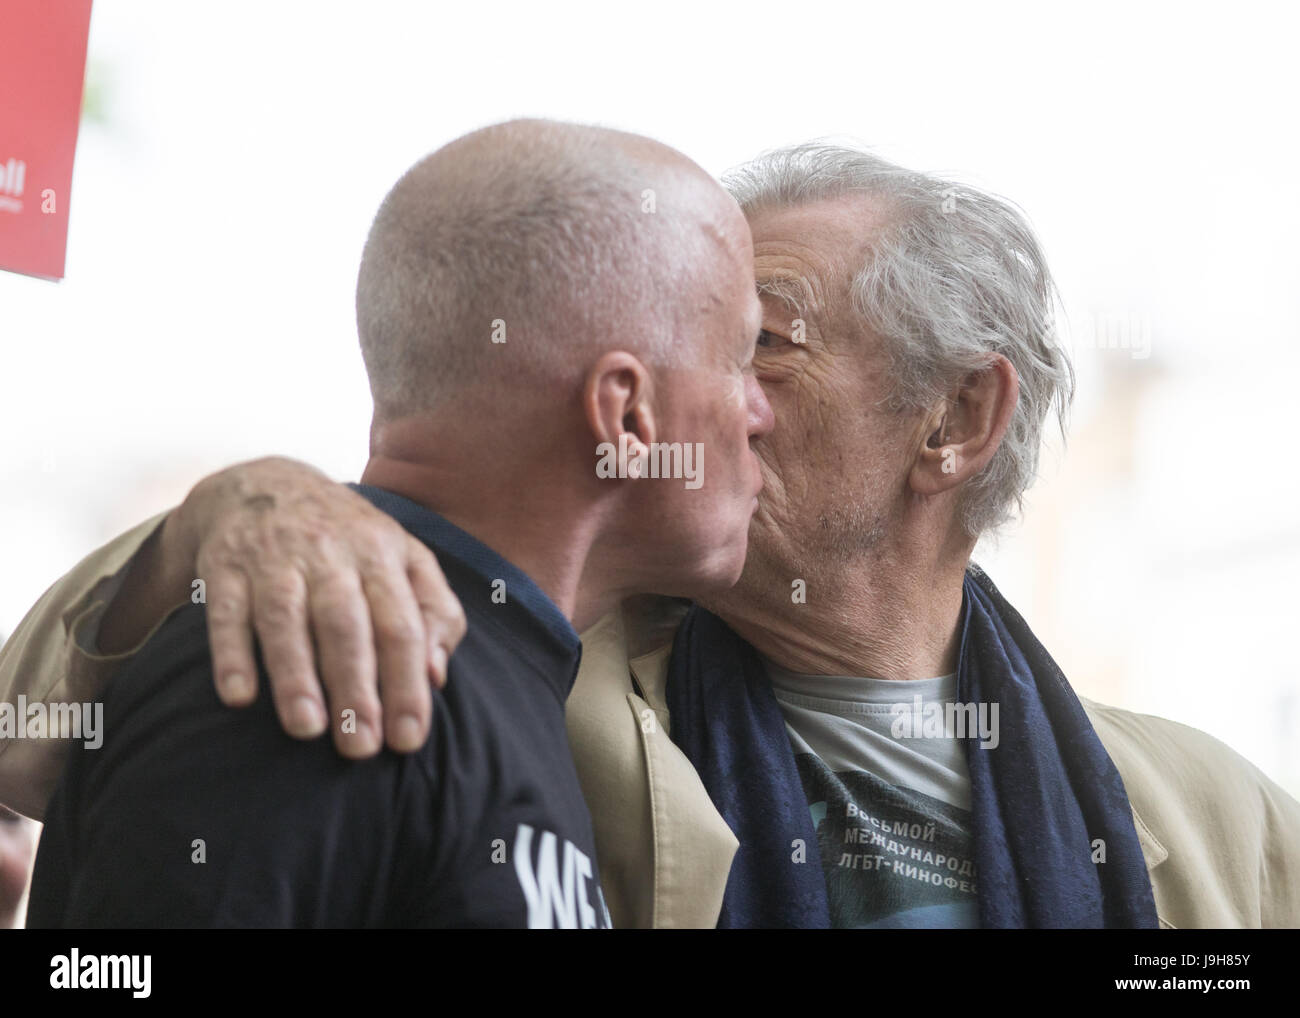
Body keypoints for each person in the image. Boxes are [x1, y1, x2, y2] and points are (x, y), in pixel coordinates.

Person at [5, 142, 1298, 929]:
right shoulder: (485, 659)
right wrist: (226, 514)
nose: (721, 398)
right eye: (710, 348)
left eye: (765, 346)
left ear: (957, 416)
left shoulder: (1223, 821)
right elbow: (28, 740)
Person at [14, 118, 774, 927]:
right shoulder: (321, 638)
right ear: (625, 416)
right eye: (742, 359)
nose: (760, 412)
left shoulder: (496, 668)